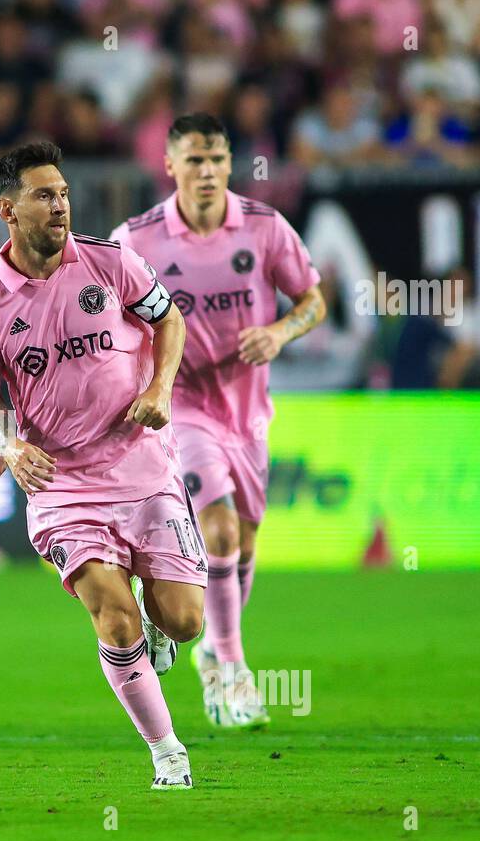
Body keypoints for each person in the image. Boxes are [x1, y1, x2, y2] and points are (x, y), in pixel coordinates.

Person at [0, 141, 206, 791]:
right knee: (114, 616)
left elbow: (170, 321)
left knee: (185, 620)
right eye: (45, 195)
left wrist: (158, 389)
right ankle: (167, 754)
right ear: (8, 210)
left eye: (63, 192)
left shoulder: (111, 262)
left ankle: (162, 629)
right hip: (63, 485)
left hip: (144, 467)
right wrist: (7, 443)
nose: (60, 203)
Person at [109, 113, 326, 729]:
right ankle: (232, 671)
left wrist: (281, 331)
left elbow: (313, 299)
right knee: (221, 530)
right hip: (182, 408)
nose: (206, 172)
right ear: (170, 166)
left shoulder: (262, 227)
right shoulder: (138, 238)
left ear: (229, 165)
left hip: (248, 411)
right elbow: (106, 314)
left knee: (245, 541)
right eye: (194, 161)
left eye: (217, 160)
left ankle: (209, 642)